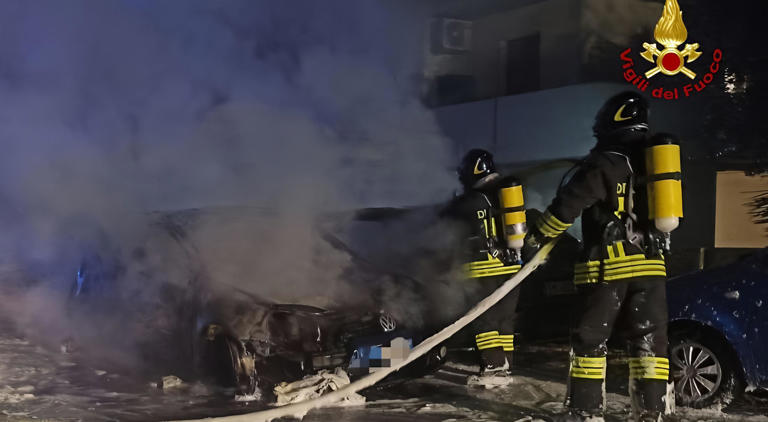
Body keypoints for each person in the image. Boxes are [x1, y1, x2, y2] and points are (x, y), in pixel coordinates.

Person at [525, 91, 678, 421]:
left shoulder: (604, 162)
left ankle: (586, 411)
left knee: (590, 341)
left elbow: (568, 205)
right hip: (651, 266)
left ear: (611, 121)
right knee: (649, 340)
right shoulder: (656, 161)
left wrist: (538, 235)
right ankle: (650, 413)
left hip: (609, 267)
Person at [440, 148, 526, 387]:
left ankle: (493, 368)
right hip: (512, 270)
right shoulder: (505, 195)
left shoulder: (469, 201)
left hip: (483, 271)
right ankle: (505, 366)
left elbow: (444, 221)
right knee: (504, 321)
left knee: (484, 321)